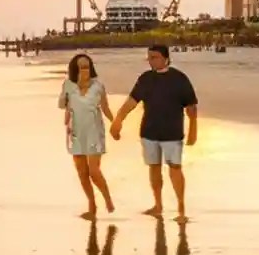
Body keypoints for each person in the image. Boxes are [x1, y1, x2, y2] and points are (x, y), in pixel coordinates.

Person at [110, 45, 198, 221]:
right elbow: (131, 102)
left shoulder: (179, 79)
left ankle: (181, 209)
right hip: (149, 132)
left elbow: (191, 108)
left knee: (175, 169)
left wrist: (193, 131)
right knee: (154, 168)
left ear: (166, 58)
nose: (151, 61)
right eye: (149, 57)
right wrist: (118, 120)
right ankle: (158, 205)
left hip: (172, 133)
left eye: (155, 57)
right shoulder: (146, 79)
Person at [58, 53, 116, 219]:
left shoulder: (98, 86)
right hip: (76, 132)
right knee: (82, 172)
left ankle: (108, 199)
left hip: (94, 131)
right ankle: (92, 205)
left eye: (87, 66)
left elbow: (105, 107)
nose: (85, 70)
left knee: (94, 170)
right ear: (74, 70)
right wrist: (67, 95)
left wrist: (115, 123)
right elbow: (63, 105)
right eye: (81, 67)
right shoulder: (68, 85)